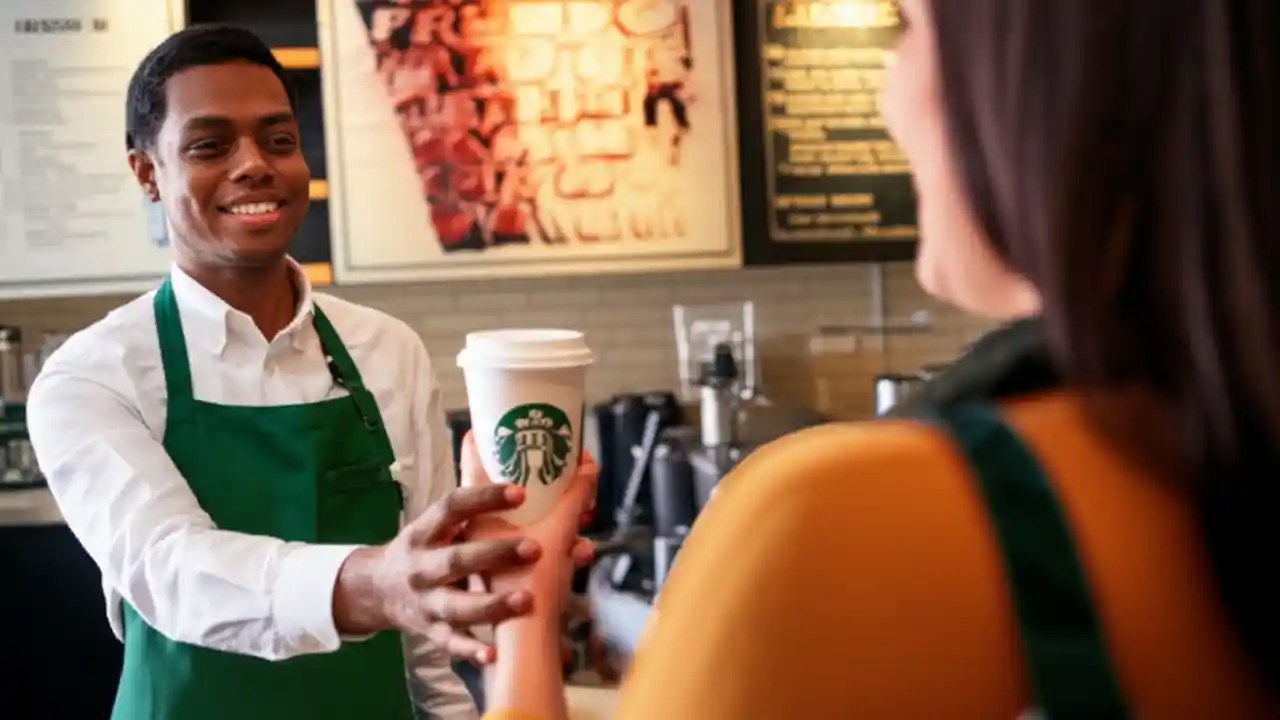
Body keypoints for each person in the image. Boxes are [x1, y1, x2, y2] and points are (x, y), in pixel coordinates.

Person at [469, 0, 1280, 717]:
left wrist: (521, 630)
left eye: (910, 28)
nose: (888, 97)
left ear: (1053, 79)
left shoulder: (847, 523)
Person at [26, 25, 588, 720]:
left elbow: (425, 623)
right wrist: (372, 583)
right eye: (210, 145)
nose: (255, 164)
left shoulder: (388, 350)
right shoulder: (90, 378)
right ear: (147, 172)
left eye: (279, 140)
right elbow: (170, 571)